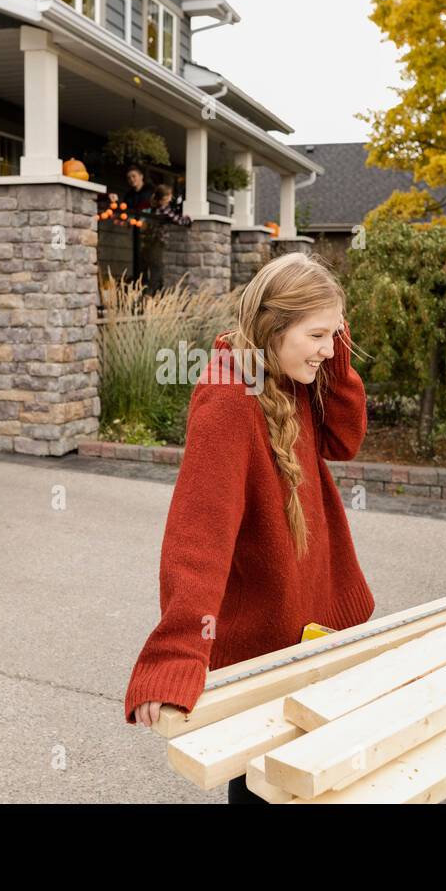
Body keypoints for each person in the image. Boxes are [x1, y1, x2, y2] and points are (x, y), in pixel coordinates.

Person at [124, 251, 376, 804]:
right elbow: (198, 537)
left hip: (311, 616)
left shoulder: (288, 374)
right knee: (264, 783)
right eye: (317, 334)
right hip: (264, 635)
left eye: (336, 335)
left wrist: (329, 356)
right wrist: (175, 656)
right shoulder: (228, 396)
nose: (329, 349)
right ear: (273, 327)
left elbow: (345, 439)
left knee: (306, 778)